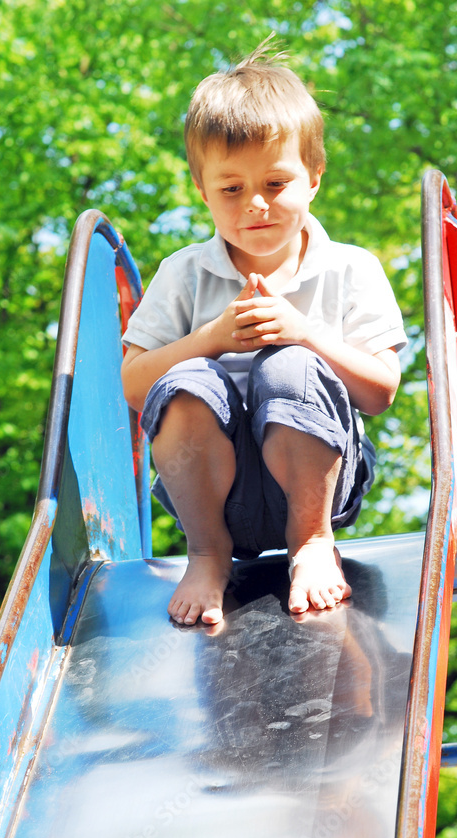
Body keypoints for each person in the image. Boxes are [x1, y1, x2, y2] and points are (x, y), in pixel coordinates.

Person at [121, 41, 406, 627]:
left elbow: (380, 390)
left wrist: (304, 334)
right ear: (202, 189)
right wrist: (213, 337)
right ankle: (207, 556)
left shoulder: (351, 268)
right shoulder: (184, 273)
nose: (255, 204)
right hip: (212, 496)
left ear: (314, 177)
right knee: (187, 380)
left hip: (318, 485)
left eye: (275, 183)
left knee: (289, 365)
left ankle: (311, 545)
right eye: (231, 189)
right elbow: (133, 386)